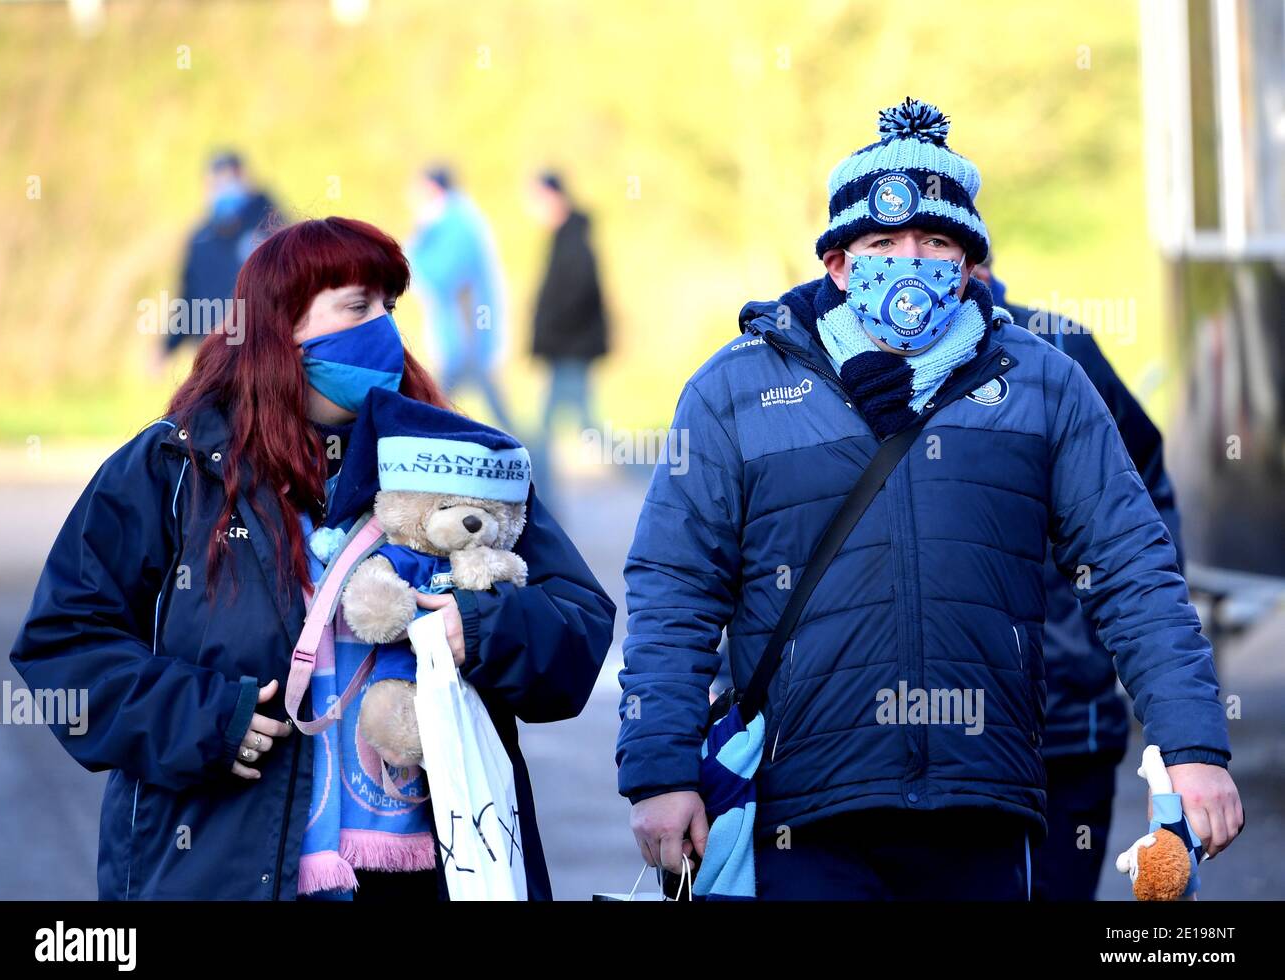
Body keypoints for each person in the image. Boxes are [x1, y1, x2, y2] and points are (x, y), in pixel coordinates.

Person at [615, 97, 1241, 900]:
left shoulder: (1042, 381)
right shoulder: (735, 390)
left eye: (936, 242)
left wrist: (1193, 748)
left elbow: (1132, 567)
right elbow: (674, 585)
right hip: (801, 815)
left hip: (983, 807)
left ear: (972, 264)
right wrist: (660, 770)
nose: (909, 263)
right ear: (838, 263)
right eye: (882, 243)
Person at [11, 217, 615, 900]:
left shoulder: (462, 465)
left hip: (432, 878)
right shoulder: (173, 467)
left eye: (389, 306)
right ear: (278, 328)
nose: (383, 328)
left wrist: (481, 628)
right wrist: (203, 719)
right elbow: (64, 642)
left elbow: (578, 622)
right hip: (221, 873)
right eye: (357, 306)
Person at [974, 262, 1184, 900]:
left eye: (940, 244)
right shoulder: (866, 367)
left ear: (977, 257)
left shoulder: (1060, 351)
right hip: (938, 753)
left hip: (1067, 726)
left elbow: (1145, 490)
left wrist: (1120, 648)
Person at [405, 167, 516, 431]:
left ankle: (531, 456)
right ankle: (531, 455)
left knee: (435, 404)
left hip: (463, 334)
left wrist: (417, 246)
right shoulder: (459, 220)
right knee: (459, 400)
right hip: (466, 333)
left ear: (434, 188)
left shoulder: (452, 224)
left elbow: (443, 278)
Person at [156, 150, 281, 369]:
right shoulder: (200, 239)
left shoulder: (272, 229)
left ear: (243, 179)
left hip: (262, 353)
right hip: (215, 359)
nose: (221, 190)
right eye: (215, 183)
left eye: (228, 180)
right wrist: (167, 346)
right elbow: (189, 297)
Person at [528, 171, 609, 437]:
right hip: (567, 347)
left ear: (552, 196)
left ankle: (643, 468)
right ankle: (642, 467)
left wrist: (551, 332)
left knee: (561, 423)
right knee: (577, 421)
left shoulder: (573, 239)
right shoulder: (564, 237)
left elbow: (578, 295)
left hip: (571, 348)